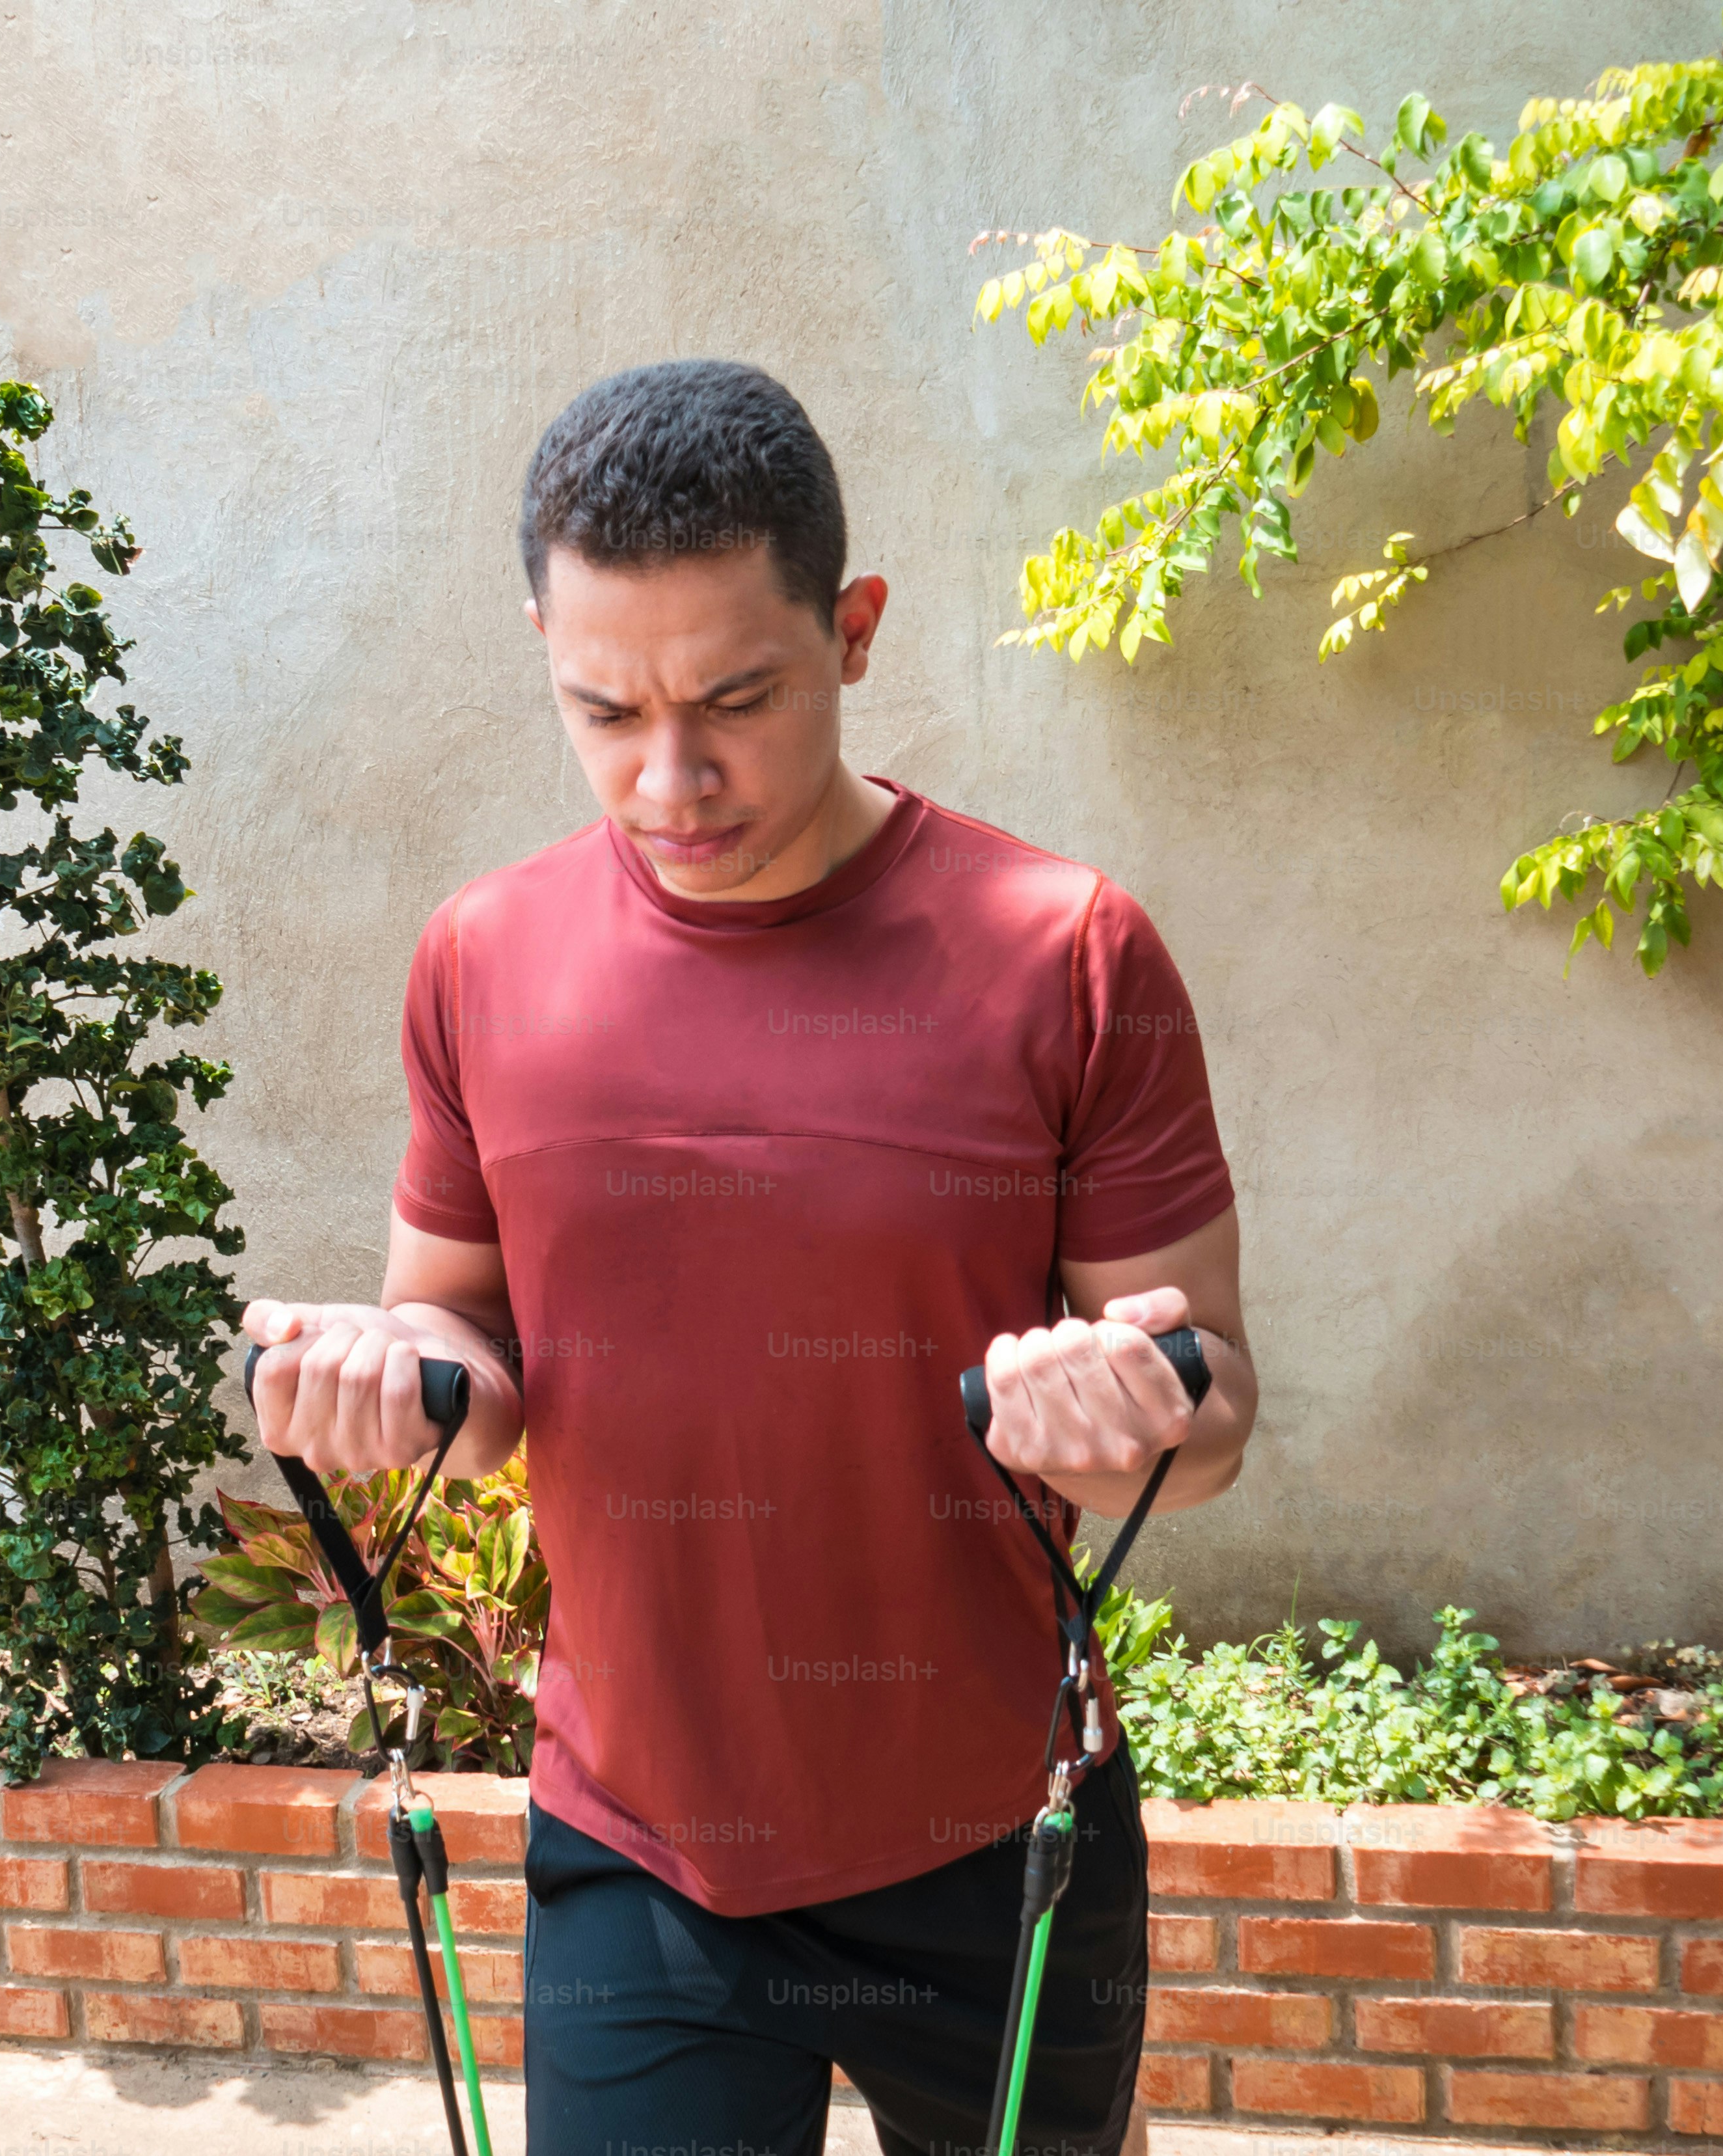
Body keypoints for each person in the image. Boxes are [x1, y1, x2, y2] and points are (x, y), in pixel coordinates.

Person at [238, 358, 1258, 2156]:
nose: (670, 774)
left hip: (997, 1834)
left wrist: (1127, 1406)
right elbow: (462, 1348)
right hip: (639, 1853)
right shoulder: (480, 958)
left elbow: (1215, 1402)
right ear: (543, 645)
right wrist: (390, 1385)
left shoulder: (1062, 952)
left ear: (852, 631)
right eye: (603, 709)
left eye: (736, 697)